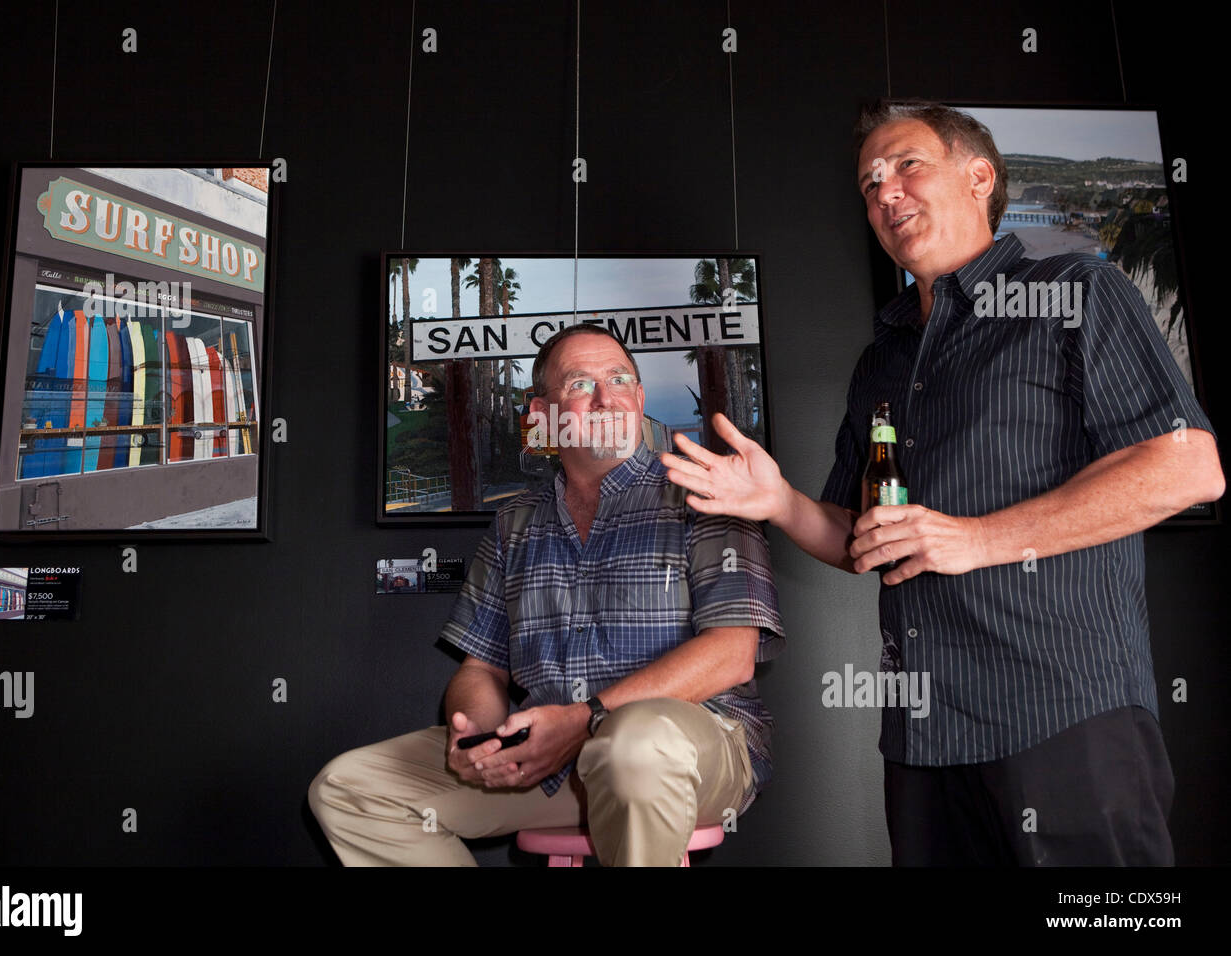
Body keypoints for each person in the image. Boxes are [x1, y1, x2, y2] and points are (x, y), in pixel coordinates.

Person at [661, 101, 1224, 865]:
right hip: (923, 736)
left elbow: (1188, 466)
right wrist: (782, 504)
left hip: (1065, 716)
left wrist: (976, 539)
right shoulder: (882, 360)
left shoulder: (1078, 293)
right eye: (868, 184)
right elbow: (865, 540)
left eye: (906, 166)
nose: (884, 192)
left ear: (979, 177)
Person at [310, 324, 785, 866]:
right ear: (541, 413)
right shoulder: (515, 521)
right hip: (554, 762)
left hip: (695, 751)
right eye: (581, 383)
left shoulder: (707, 492)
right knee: (349, 788)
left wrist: (584, 719)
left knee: (633, 745)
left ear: (640, 399)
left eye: (619, 379)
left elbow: (731, 652)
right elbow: (481, 670)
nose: (606, 397)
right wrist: (481, 735)